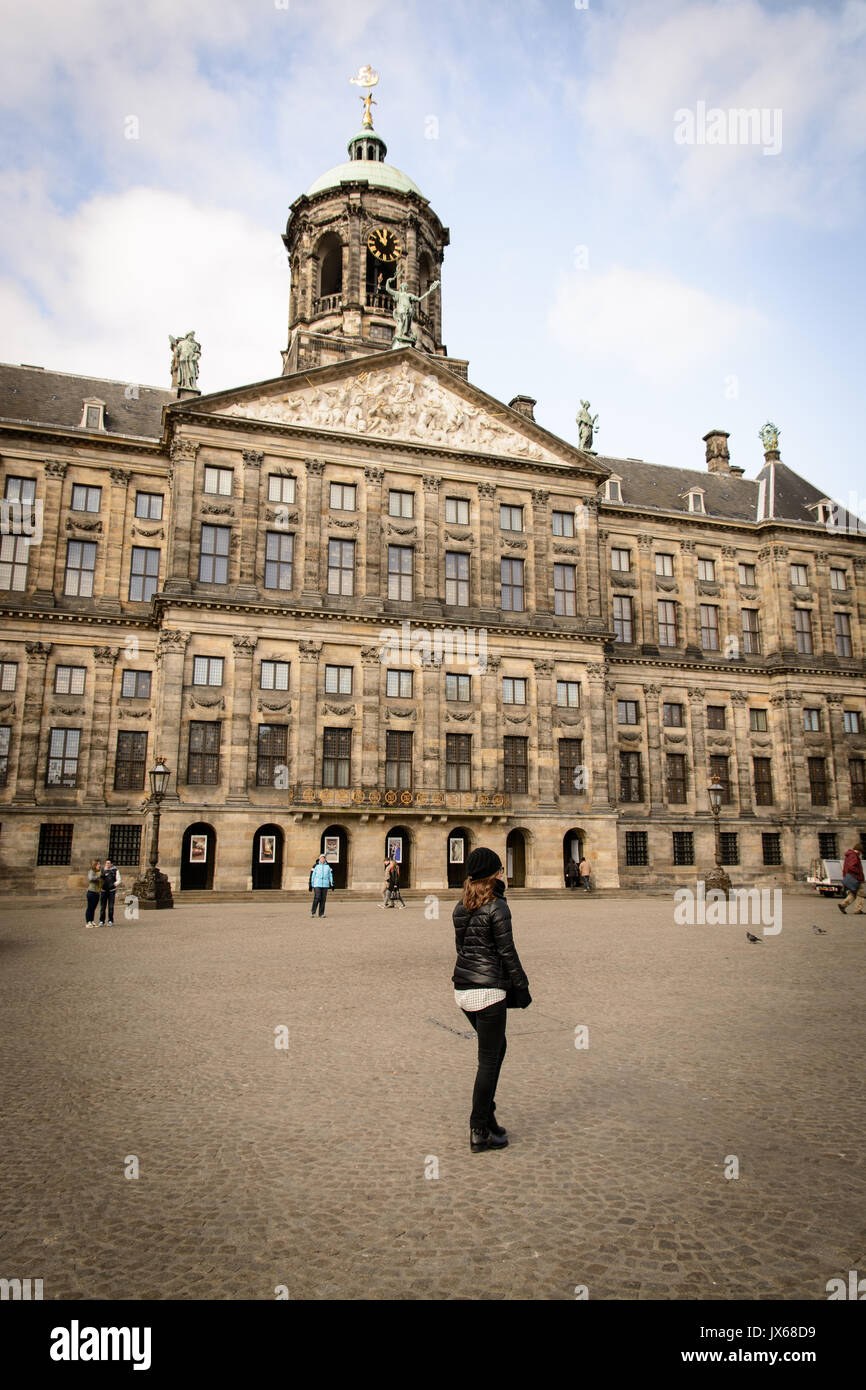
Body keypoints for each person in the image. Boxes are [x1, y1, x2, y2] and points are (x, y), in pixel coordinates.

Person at [452, 847, 531, 1154]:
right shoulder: (498, 906)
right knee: (489, 1059)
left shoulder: (460, 907)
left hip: (463, 989)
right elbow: (507, 951)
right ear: (494, 874)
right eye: (500, 870)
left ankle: (489, 1118)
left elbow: (462, 949)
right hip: (488, 991)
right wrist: (521, 987)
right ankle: (478, 1129)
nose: (503, 875)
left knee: (497, 1050)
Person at [838, 842, 864, 914]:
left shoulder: (849, 855)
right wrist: (858, 872)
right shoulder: (854, 856)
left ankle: (843, 905)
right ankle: (858, 909)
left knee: (853, 893)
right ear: (859, 850)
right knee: (861, 893)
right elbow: (851, 867)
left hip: (851, 877)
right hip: (856, 878)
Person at [310, 853, 334, 918]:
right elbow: (313, 875)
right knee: (317, 897)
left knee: (323, 899)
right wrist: (311, 883)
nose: (322, 859)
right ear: (319, 859)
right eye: (321, 858)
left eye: (324, 858)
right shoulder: (316, 866)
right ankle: (313, 912)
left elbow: (330, 875)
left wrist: (332, 883)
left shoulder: (328, 866)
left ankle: (321, 913)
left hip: (325, 884)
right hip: (317, 883)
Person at [98, 860, 121, 926]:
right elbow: (99, 879)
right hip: (104, 890)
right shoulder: (102, 870)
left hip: (111, 891)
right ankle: (101, 921)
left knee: (111, 907)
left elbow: (119, 879)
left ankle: (110, 920)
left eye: (108, 863)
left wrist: (114, 884)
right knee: (103, 907)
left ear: (111, 864)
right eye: (106, 863)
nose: (107, 864)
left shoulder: (115, 870)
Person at [85, 859, 102, 927]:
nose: (99, 865)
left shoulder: (99, 872)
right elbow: (90, 878)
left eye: (99, 864)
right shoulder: (91, 871)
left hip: (97, 892)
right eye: (98, 864)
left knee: (94, 908)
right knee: (90, 907)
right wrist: (98, 877)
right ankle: (88, 921)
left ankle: (92, 921)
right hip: (91, 892)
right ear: (95, 865)